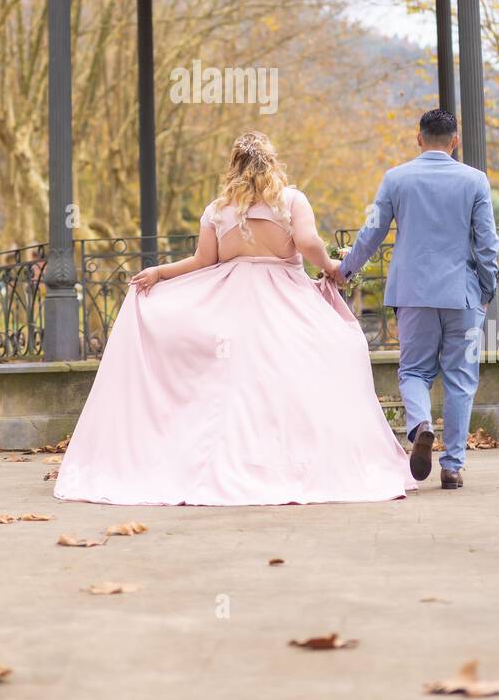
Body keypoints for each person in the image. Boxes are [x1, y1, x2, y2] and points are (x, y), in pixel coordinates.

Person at [54, 131, 413, 506]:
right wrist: (333, 268)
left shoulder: (218, 209)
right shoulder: (290, 200)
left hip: (228, 302)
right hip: (286, 300)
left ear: (234, 166)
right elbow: (307, 243)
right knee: (316, 365)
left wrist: (159, 273)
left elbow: (202, 261)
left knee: (230, 385)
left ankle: (218, 463)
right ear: (272, 163)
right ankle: (292, 463)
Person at [330, 109, 499, 490]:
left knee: (414, 372)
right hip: (462, 295)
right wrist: (486, 289)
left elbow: (371, 231)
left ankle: (421, 425)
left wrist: (346, 271)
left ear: (418, 139)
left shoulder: (397, 179)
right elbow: (488, 244)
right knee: (460, 379)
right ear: (455, 141)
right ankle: (453, 467)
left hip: (413, 293)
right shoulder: (476, 181)